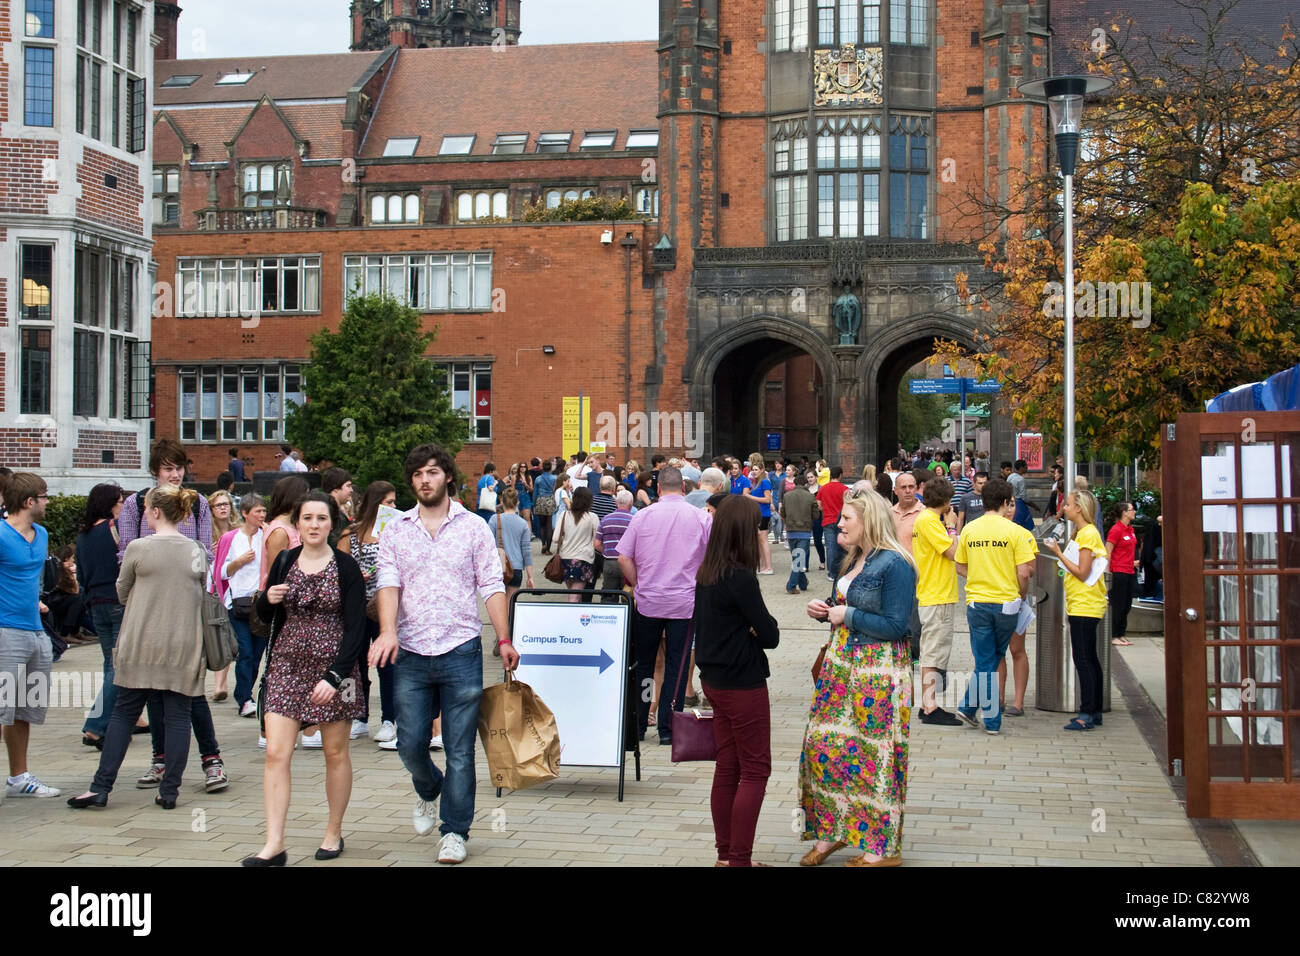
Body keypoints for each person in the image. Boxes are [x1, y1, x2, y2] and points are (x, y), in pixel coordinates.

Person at [370, 444, 519, 865]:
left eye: (432, 472)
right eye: (417, 474)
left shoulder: (473, 527)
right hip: (412, 650)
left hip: (461, 648)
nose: (424, 480)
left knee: (458, 749)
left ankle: (455, 831)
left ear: (447, 477)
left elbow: (490, 584)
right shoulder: (397, 529)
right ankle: (427, 786)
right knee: (410, 743)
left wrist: (504, 638)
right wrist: (386, 632)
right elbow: (388, 582)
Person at [241, 492, 366, 865]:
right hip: (286, 665)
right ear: (297, 523)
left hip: (335, 670)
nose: (314, 525)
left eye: (321, 519)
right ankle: (274, 843)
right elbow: (262, 616)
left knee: (334, 752)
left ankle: (333, 831)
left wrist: (335, 675)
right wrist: (268, 598)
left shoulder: (346, 568)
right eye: (307, 518)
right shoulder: (284, 561)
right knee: (277, 753)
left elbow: (357, 629)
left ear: (332, 524)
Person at [67, 485, 209, 811]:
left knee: (123, 714)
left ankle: (100, 788)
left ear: (155, 512)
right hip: (183, 642)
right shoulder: (197, 550)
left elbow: (122, 591)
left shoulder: (138, 547)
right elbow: (201, 593)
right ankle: (170, 792)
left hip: (141, 639)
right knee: (177, 717)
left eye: (146, 509)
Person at [800, 490, 917, 867]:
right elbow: (847, 606)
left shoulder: (896, 563)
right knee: (824, 747)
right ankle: (832, 831)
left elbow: (898, 625)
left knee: (875, 754)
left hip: (878, 671)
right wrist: (825, 610)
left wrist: (845, 616)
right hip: (842, 665)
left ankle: (882, 847)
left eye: (848, 517)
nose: (839, 522)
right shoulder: (854, 558)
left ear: (869, 521)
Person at [117, 439, 226, 793]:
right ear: (154, 471)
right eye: (167, 468)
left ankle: (211, 760)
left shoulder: (197, 504)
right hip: (147, 609)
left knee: (190, 690)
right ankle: (160, 759)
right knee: (151, 689)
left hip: (188, 606)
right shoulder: (136, 504)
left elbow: (206, 554)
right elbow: (126, 555)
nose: (175, 474)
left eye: (178, 467)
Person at [694, 495, 780, 867]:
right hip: (742, 683)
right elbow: (771, 634)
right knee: (756, 769)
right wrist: (751, 630)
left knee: (728, 766)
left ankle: (725, 856)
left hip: (714, 680)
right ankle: (740, 860)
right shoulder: (741, 577)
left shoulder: (707, 572)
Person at [618, 465, 710, 745]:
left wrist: (637, 583)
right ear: (684, 488)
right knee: (677, 666)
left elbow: (623, 556)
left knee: (644, 664)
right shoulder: (701, 518)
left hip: (649, 601)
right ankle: (668, 728)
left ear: (657, 489)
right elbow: (711, 558)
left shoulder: (642, 516)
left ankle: (637, 724)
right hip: (684, 602)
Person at [953, 478, 1037, 735]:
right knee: (992, 658)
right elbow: (1024, 573)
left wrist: (979, 576)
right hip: (1007, 603)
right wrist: (1020, 595)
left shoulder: (970, 529)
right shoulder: (1017, 533)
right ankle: (991, 720)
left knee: (986, 658)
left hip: (977, 602)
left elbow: (959, 565)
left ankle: (968, 707)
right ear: (1004, 502)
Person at [1, 473, 60, 798]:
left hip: (35, 632)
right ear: (28, 502)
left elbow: (31, 579)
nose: (47, 501)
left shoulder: (41, 535)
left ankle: (18, 779)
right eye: (44, 496)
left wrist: (35, 600)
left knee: (24, 710)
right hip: (4, 631)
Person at [336, 481, 399, 742]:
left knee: (386, 664)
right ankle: (359, 716)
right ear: (376, 504)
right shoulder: (350, 533)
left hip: (383, 606)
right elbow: (337, 570)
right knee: (356, 664)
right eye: (389, 502)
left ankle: (389, 719)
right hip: (356, 607)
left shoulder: (394, 532)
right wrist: (353, 576)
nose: (394, 507)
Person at [1043, 489, 1108, 731]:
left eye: (1068, 504)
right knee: (1090, 657)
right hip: (1083, 603)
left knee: (1083, 659)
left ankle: (1087, 712)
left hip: (1085, 604)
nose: (1065, 507)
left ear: (1079, 508)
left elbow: (1082, 572)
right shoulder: (1083, 532)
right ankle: (1095, 709)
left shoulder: (1088, 535)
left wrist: (1059, 553)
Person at [77, 484, 127, 749]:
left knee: (110, 662)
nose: (122, 506)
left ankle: (126, 719)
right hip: (117, 600)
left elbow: (81, 575)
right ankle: (95, 726)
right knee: (119, 665)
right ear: (110, 504)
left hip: (96, 603)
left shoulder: (83, 535)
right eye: (119, 501)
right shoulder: (114, 528)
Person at [913, 477, 963, 726]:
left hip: (935, 591)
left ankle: (928, 702)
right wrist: (952, 527)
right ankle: (929, 705)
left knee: (934, 650)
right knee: (933, 651)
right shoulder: (930, 521)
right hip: (937, 593)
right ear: (945, 501)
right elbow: (952, 552)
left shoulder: (926, 520)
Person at [215, 493, 266, 719]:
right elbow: (220, 572)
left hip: (262, 602)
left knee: (257, 653)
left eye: (264, 511)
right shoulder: (230, 539)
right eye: (257, 511)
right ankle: (244, 698)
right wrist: (238, 562)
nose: (262, 515)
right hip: (237, 602)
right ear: (245, 513)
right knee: (244, 651)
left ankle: (246, 692)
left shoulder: (268, 536)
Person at [488, 486, 533, 624]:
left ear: (502, 501)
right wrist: (530, 576)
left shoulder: (494, 520)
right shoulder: (523, 524)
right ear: (517, 503)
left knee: (498, 601)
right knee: (511, 601)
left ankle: (500, 632)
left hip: (497, 566)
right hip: (516, 568)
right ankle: (508, 633)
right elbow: (526, 551)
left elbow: (487, 544)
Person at [554, 486, 599, 603]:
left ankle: (574, 616)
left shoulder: (564, 515)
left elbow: (555, 538)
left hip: (565, 558)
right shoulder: (592, 517)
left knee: (572, 592)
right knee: (575, 596)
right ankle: (571, 617)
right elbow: (596, 540)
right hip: (583, 559)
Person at [1107, 501, 1139, 647]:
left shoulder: (1130, 530)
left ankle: (1121, 633)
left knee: (1127, 605)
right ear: (1124, 512)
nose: (1134, 512)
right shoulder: (1116, 530)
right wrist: (1108, 571)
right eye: (1132, 510)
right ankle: (1114, 634)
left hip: (1130, 571)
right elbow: (1109, 551)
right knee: (1118, 604)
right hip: (1118, 572)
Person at [780, 470, 816, 594]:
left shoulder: (787, 496)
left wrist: (787, 521)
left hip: (791, 531)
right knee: (799, 559)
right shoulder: (810, 497)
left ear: (795, 484)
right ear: (806, 484)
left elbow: (782, 513)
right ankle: (791, 585)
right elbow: (815, 515)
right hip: (804, 531)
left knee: (797, 558)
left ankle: (803, 583)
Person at [595, 489, 634, 596]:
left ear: (615, 503)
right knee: (627, 596)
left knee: (608, 595)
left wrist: (607, 551)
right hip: (628, 563)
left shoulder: (605, 519)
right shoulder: (635, 520)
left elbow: (597, 544)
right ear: (631, 503)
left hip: (609, 563)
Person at [815, 466, 848, 582]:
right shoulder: (845, 489)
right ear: (840, 475)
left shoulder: (823, 489)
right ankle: (842, 570)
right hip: (842, 521)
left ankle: (831, 572)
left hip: (827, 520)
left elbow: (819, 504)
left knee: (830, 547)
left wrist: (825, 509)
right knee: (843, 546)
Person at [744, 462, 774, 575]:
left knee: (763, 540)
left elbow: (768, 499)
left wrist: (750, 497)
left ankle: (768, 566)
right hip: (758, 513)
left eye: (756, 469)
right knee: (760, 540)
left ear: (762, 470)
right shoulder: (757, 482)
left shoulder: (765, 482)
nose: (754, 472)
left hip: (763, 514)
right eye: (753, 470)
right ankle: (764, 566)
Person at [320, 467, 355, 542]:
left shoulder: (329, 510)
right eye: (348, 486)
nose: (351, 490)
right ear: (336, 488)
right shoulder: (332, 514)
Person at [534, 460, 557, 553]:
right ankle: (548, 548)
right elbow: (555, 491)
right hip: (550, 500)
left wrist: (534, 504)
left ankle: (543, 544)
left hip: (540, 501)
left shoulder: (538, 479)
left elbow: (535, 493)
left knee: (542, 525)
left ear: (543, 467)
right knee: (549, 525)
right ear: (550, 468)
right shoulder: (554, 478)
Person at [806, 469, 826, 569]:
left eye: (811, 477)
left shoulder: (821, 488)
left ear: (816, 477)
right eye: (808, 477)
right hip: (806, 516)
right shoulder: (805, 488)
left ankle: (822, 561)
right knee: (804, 541)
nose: (810, 479)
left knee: (817, 541)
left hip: (818, 517)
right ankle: (805, 565)